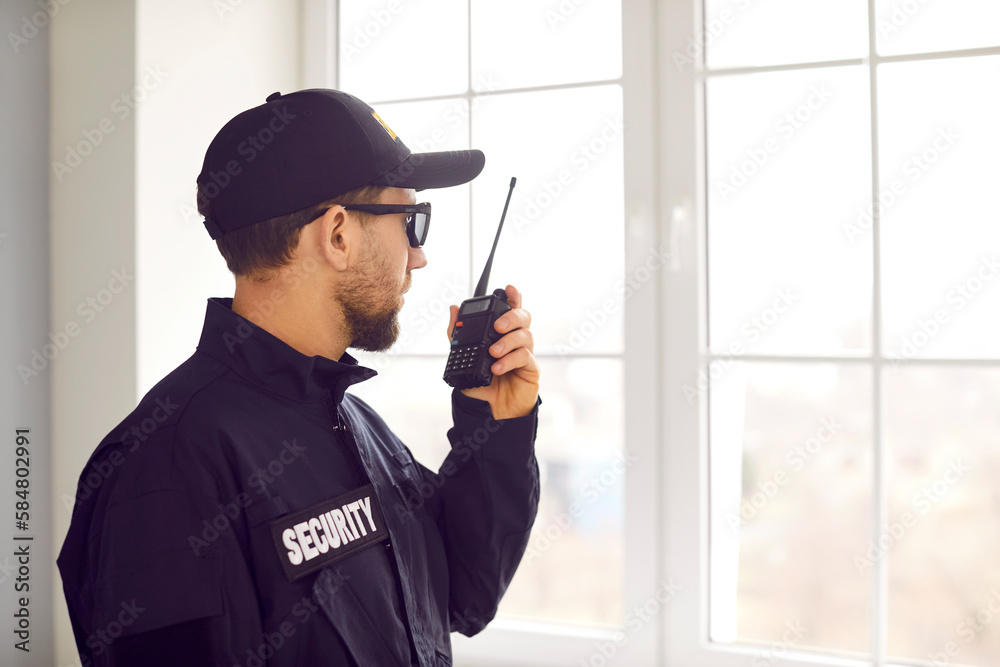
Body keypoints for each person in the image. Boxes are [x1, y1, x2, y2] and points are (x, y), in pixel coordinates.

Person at [57, 88, 541, 666]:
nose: (418, 258)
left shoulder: (354, 425)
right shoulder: (165, 466)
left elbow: (461, 597)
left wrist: (496, 428)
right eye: (411, 222)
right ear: (338, 234)